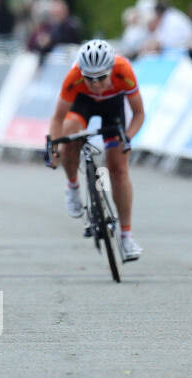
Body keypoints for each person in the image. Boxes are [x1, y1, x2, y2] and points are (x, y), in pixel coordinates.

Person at [46, 39, 145, 262]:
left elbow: (139, 114)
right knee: (69, 135)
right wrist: (54, 146)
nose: (96, 84)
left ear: (111, 70)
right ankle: (72, 185)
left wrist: (127, 138)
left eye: (101, 77)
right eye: (90, 78)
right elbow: (57, 119)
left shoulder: (123, 70)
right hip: (83, 104)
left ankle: (127, 236)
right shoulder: (74, 77)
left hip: (113, 107)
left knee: (118, 169)